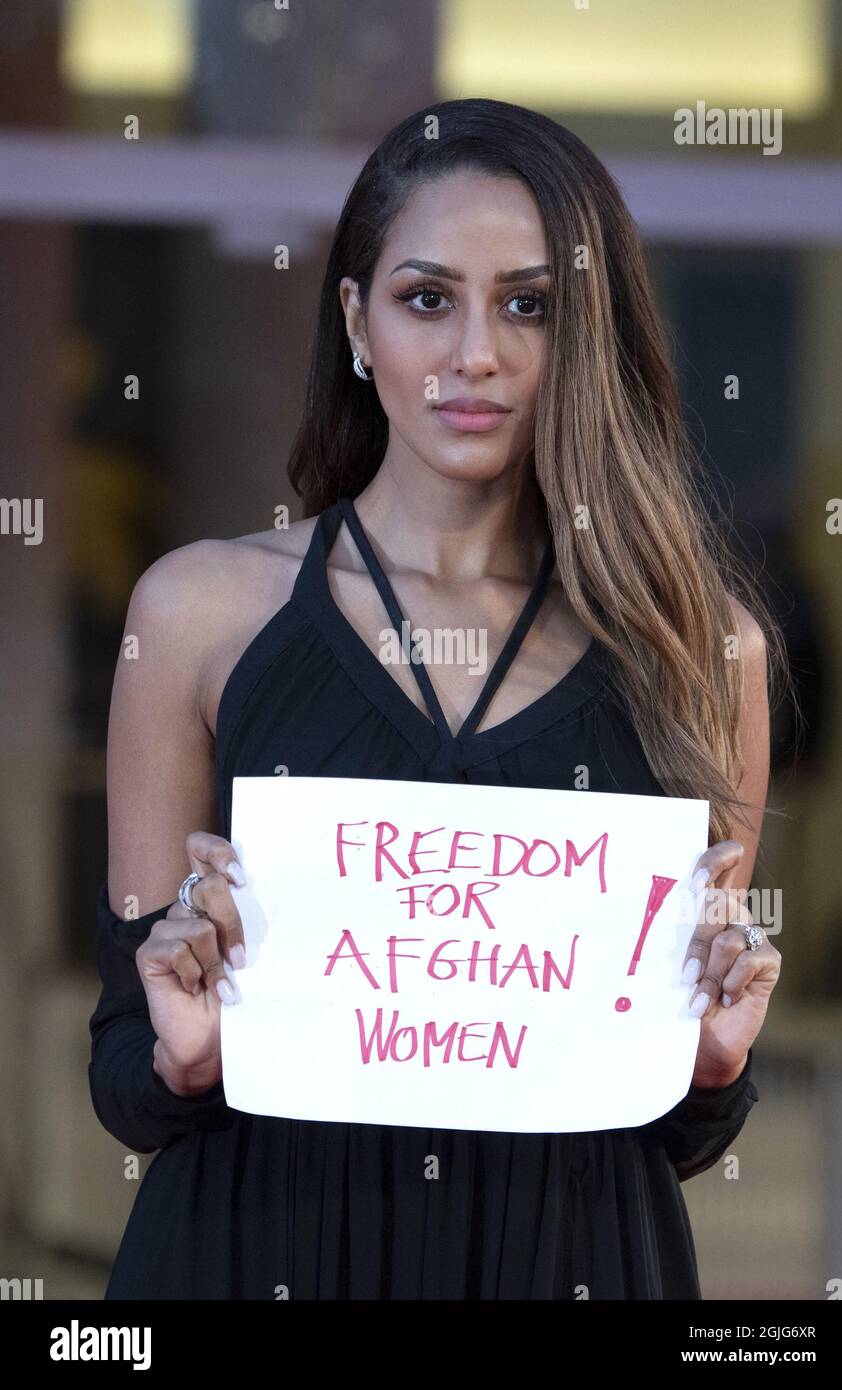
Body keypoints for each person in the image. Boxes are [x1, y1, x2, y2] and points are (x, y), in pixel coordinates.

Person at [89, 97, 782, 1300]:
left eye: (529, 305)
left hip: (569, 1262)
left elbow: (673, 1136)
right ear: (356, 319)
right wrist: (186, 1053)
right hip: (253, 1251)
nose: (475, 354)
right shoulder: (197, 612)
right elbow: (123, 1083)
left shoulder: (699, 647)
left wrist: (712, 1061)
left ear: (589, 333)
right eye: (426, 298)